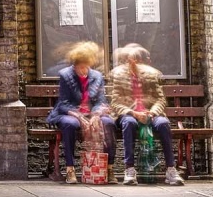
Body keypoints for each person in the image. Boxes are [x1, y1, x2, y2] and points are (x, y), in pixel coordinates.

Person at [108, 43, 185, 186]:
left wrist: (153, 112)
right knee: (129, 123)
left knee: (163, 124)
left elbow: (160, 99)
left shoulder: (151, 76)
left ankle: (170, 169)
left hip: (150, 113)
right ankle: (129, 169)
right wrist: (133, 113)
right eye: (130, 60)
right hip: (129, 114)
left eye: (136, 60)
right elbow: (116, 103)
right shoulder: (119, 77)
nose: (133, 63)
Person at [46, 41, 117, 184]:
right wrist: (79, 115)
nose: (84, 71)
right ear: (75, 65)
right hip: (71, 113)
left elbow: (101, 101)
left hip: (92, 113)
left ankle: (109, 168)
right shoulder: (65, 75)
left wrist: (96, 114)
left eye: (87, 67)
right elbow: (64, 103)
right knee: (69, 125)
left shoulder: (97, 76)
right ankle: (70, 169)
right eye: (81, 67)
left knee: (108, 123)